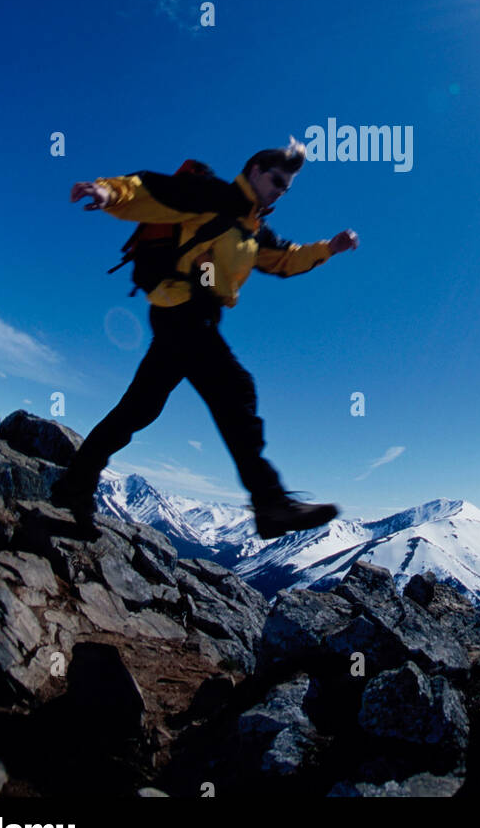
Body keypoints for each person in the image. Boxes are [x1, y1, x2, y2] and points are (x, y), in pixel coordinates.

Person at [51, 137, 358, 539]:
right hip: (182, 311)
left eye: (287, 187)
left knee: (138, 410)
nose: (281, 191)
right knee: (236, 389)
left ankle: (73, 487)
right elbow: (151, 189)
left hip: (193, 317)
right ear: (254, 171)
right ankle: (269, 503)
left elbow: (284, 258)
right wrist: (108, 191)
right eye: (277, 180)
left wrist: (329, 249)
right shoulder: (213, 196)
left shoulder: (253, 230)